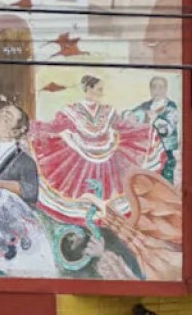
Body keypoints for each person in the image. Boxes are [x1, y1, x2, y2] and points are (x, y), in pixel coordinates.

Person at [28, 74, 158, 224]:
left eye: (102, 90)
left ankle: (107, 226)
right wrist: (34, 129)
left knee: (109, 194)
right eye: (98, 89)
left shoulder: (107, 111)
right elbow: (56, 127)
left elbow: (123, 126)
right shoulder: (71, 111)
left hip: (108, 159)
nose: (101, 93)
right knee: (81, 194)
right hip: (79, 159)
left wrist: (147, 127)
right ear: (88, 88)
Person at [126, 76, 179, 184]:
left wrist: (155, 119)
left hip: (166, 151)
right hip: (148, 151)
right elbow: (131, 114)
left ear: (165, 89)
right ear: (150, 89)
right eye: (154, 87)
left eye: (161, 87)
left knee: (164, 181)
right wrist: (129, 115)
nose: (157, 90)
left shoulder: (170, 107)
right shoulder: (146, 106)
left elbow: (168, 129)